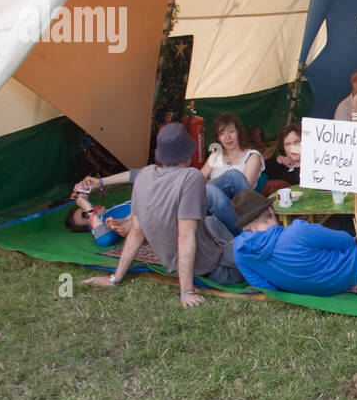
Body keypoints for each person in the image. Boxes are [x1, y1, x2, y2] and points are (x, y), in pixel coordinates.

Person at [81, 122, 245, 306]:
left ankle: (254, 235)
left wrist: (114, 278)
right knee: (257, 250)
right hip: (218, 269)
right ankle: (260, 236)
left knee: (212, 220)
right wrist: (186, 292)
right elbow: (185, 236)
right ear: (189, 152)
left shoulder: (145, 175)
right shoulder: (191, 177)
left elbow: (136, 231)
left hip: (204, 253)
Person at [200, 112, 266, 235]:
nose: (227, 137)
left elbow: (245, 189)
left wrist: (210, 182)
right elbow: (198, 180)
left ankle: (252, 228)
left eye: (231, 131)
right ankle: (252, 232)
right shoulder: (216, 154)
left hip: (239, 210)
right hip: (213, 207)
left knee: (233, 176)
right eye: (222, 133)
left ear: (239, 133)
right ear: (218, 138)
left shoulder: (252, 156)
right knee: (209, 189)